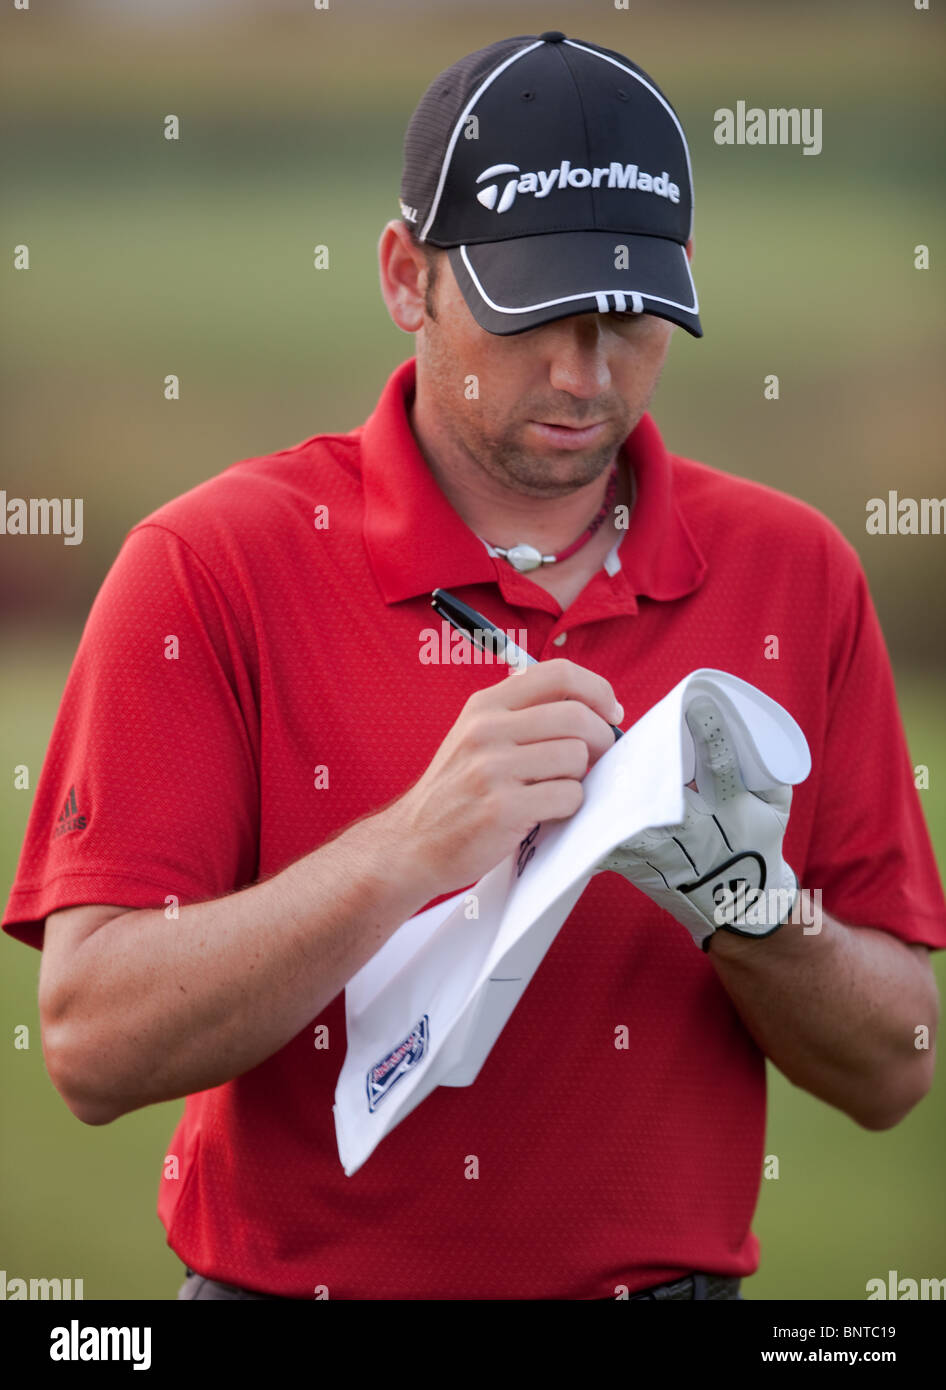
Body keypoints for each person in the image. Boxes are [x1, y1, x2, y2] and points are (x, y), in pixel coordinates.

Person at [3, 31, 944, 1303]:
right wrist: (404, 852)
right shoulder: (210, 565)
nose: (582, 372)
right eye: (531, 315)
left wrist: (745, 902)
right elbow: (90, 1040)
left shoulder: (796, 573)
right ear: (406, 278)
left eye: (628, 320)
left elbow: (896, 1066)